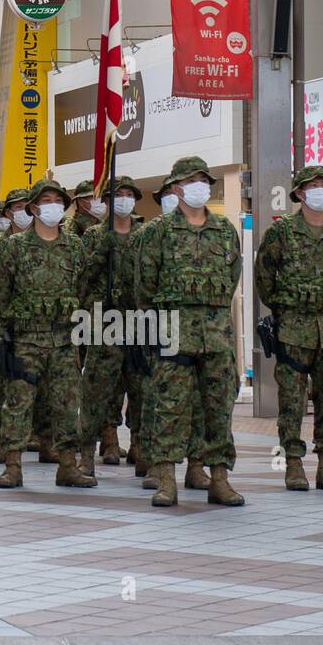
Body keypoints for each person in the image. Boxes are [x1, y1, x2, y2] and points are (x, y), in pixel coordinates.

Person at [135, 155, 243, 508]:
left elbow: (231, 278)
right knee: (169, 406)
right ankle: (165, 479)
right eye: (193, 180)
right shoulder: (157, 232)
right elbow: (144, 287)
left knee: (218, 408)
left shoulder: (225, 231)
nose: (200, 186)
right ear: (177, 187)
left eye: (205, 180)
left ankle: (219, 477)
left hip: (215, 335)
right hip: (173, 333)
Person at [254, 164, 323, 493]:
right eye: (312, 185)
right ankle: (293, 463)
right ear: (299, 193)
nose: (320, 191)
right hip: (293, 331)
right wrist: (287, 310)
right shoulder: (281, 233)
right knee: (291, 402)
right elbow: (264, 279)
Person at [0, 178, 93, 490]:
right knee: (19, 402)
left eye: (58, 201)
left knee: (67, 403)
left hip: (64, 339)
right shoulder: (14, 247)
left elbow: (84, 290)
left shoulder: (75, 246)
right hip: (26, 338)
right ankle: (13, 465)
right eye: (46, 200)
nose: (53, 206)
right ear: (34, 207)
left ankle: (67, 465)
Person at [78, 178, 144, 474]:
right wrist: (102, 249)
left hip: (140, 322)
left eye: (130, 195)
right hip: (105, 322)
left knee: (143, 387)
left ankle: (144, 448)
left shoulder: (146, 234)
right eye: (119, 195)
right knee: (98, 388)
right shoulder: (94, 236)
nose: (125, 200)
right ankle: (89, 450)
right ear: (106, 201)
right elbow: (82, 278)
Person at [0, 188, 33, 464]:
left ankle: (45, 440)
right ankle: (0, 443)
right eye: (17, 206)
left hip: (39, 327)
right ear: (8, 213)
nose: (22, 210)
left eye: (27, 205)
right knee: (3, 387)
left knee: (43, 388)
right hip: (6, 326)